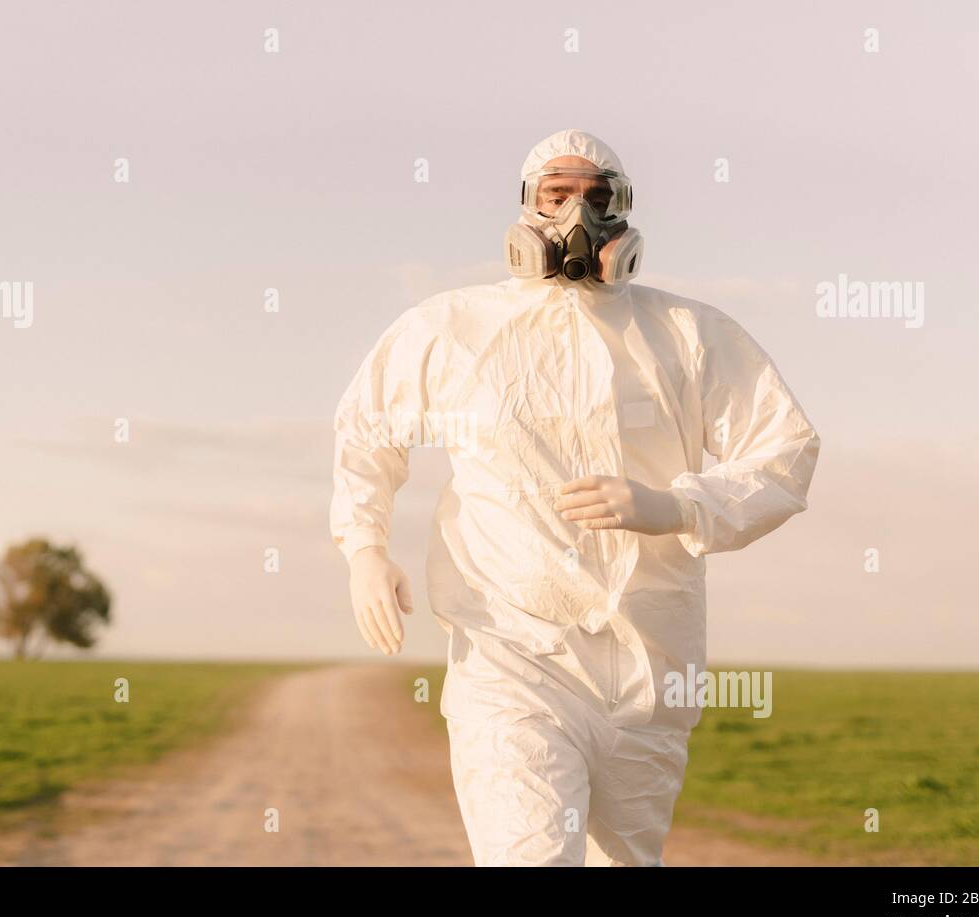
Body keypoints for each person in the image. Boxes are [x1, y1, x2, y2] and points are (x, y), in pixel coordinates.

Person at [330, 129, 820, 866]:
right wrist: (364, 547)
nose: (577, 216)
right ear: (526, 208)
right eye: (557, 195)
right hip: (510, 652)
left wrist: (679, 505)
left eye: (598, 197)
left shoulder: (687, 334)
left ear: (624, 214)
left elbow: (786, 450)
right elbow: (367, 431)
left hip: (651, 664)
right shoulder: (453, 328)